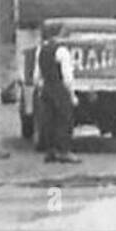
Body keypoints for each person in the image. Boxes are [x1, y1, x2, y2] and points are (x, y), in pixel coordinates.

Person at [34, 21, 80, 164]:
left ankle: (51, 151)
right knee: (64, 120)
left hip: (47, 87)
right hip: (59, 88)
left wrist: (41, 88)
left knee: (49, 120)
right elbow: (67, 76)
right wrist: (72, 94)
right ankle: (64, 151)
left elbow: (37, 75)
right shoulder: (62, 51)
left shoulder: (41, 49)